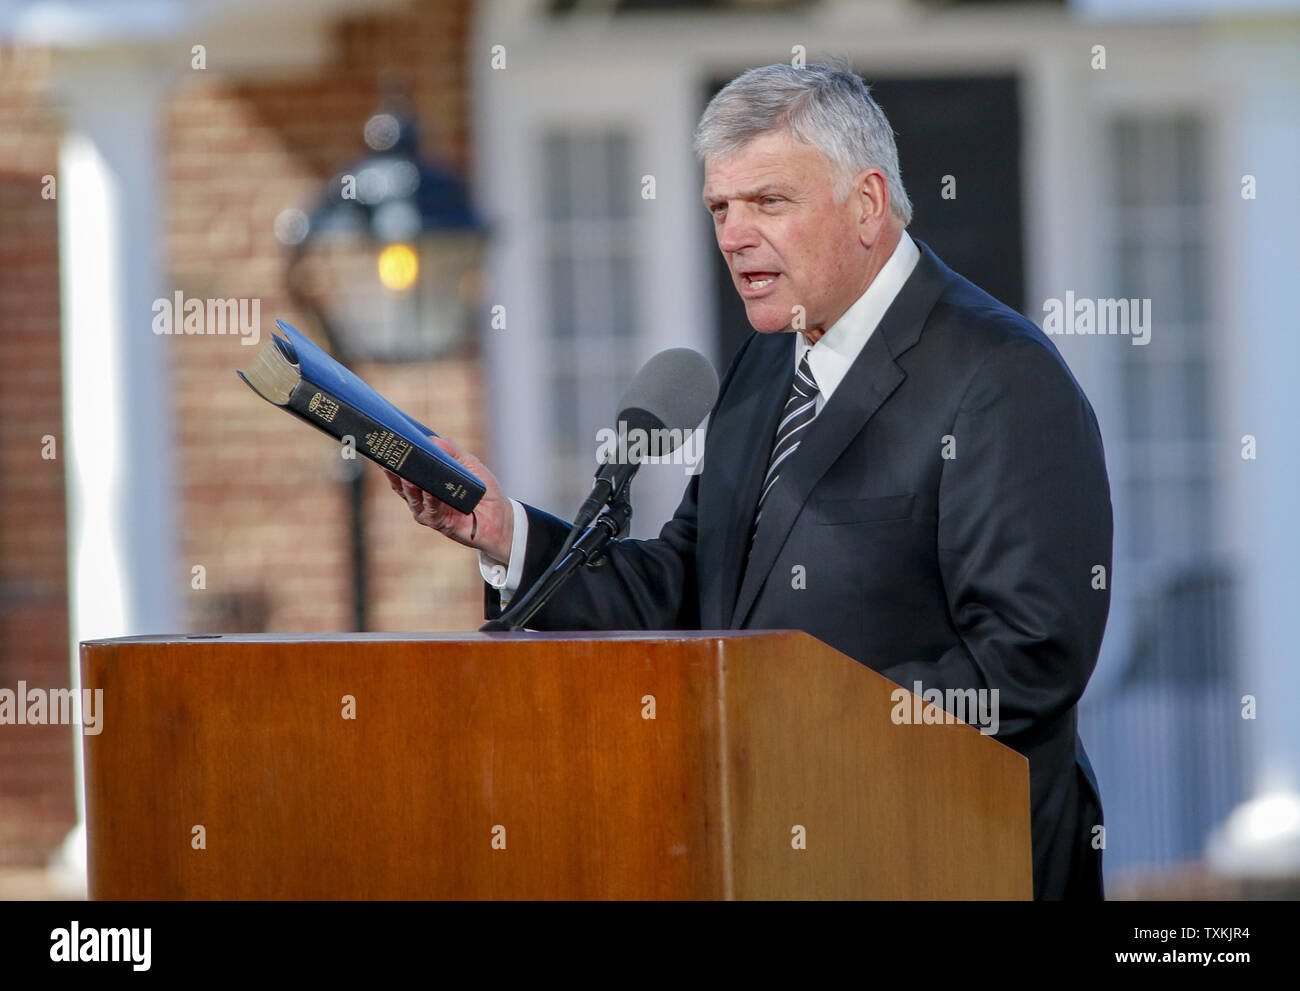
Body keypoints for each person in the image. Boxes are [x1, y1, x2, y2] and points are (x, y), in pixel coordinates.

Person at [385, 62, 1113, 901]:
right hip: (771, 858)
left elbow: (1026, 661)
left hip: (946, 859)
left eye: (769, 202)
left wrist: (788, 733)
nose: (733, 235)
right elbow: (692, 584)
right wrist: (505, 531)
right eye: (720, 209)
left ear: (868, 204)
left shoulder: (1000, 375)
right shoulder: (768, 362)